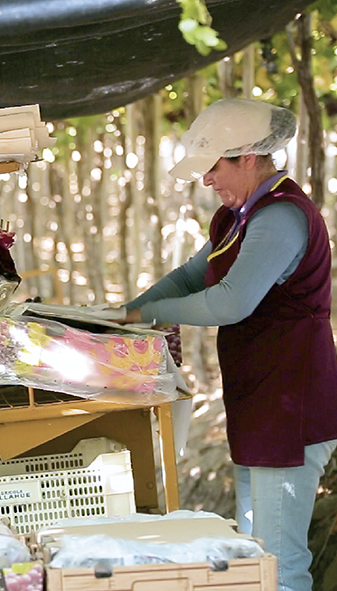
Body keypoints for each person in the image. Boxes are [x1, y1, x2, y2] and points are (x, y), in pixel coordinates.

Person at [120, 98, 337, 591]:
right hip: (260, 399)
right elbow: (190, 275)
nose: (207, 180)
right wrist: (124, 314)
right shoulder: (237, 216)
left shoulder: (281, 217)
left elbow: (229, 302)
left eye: (214, 167)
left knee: (279, 563)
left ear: (248, 157)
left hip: (292, 405)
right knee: (255, 554)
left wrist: (146, 315)